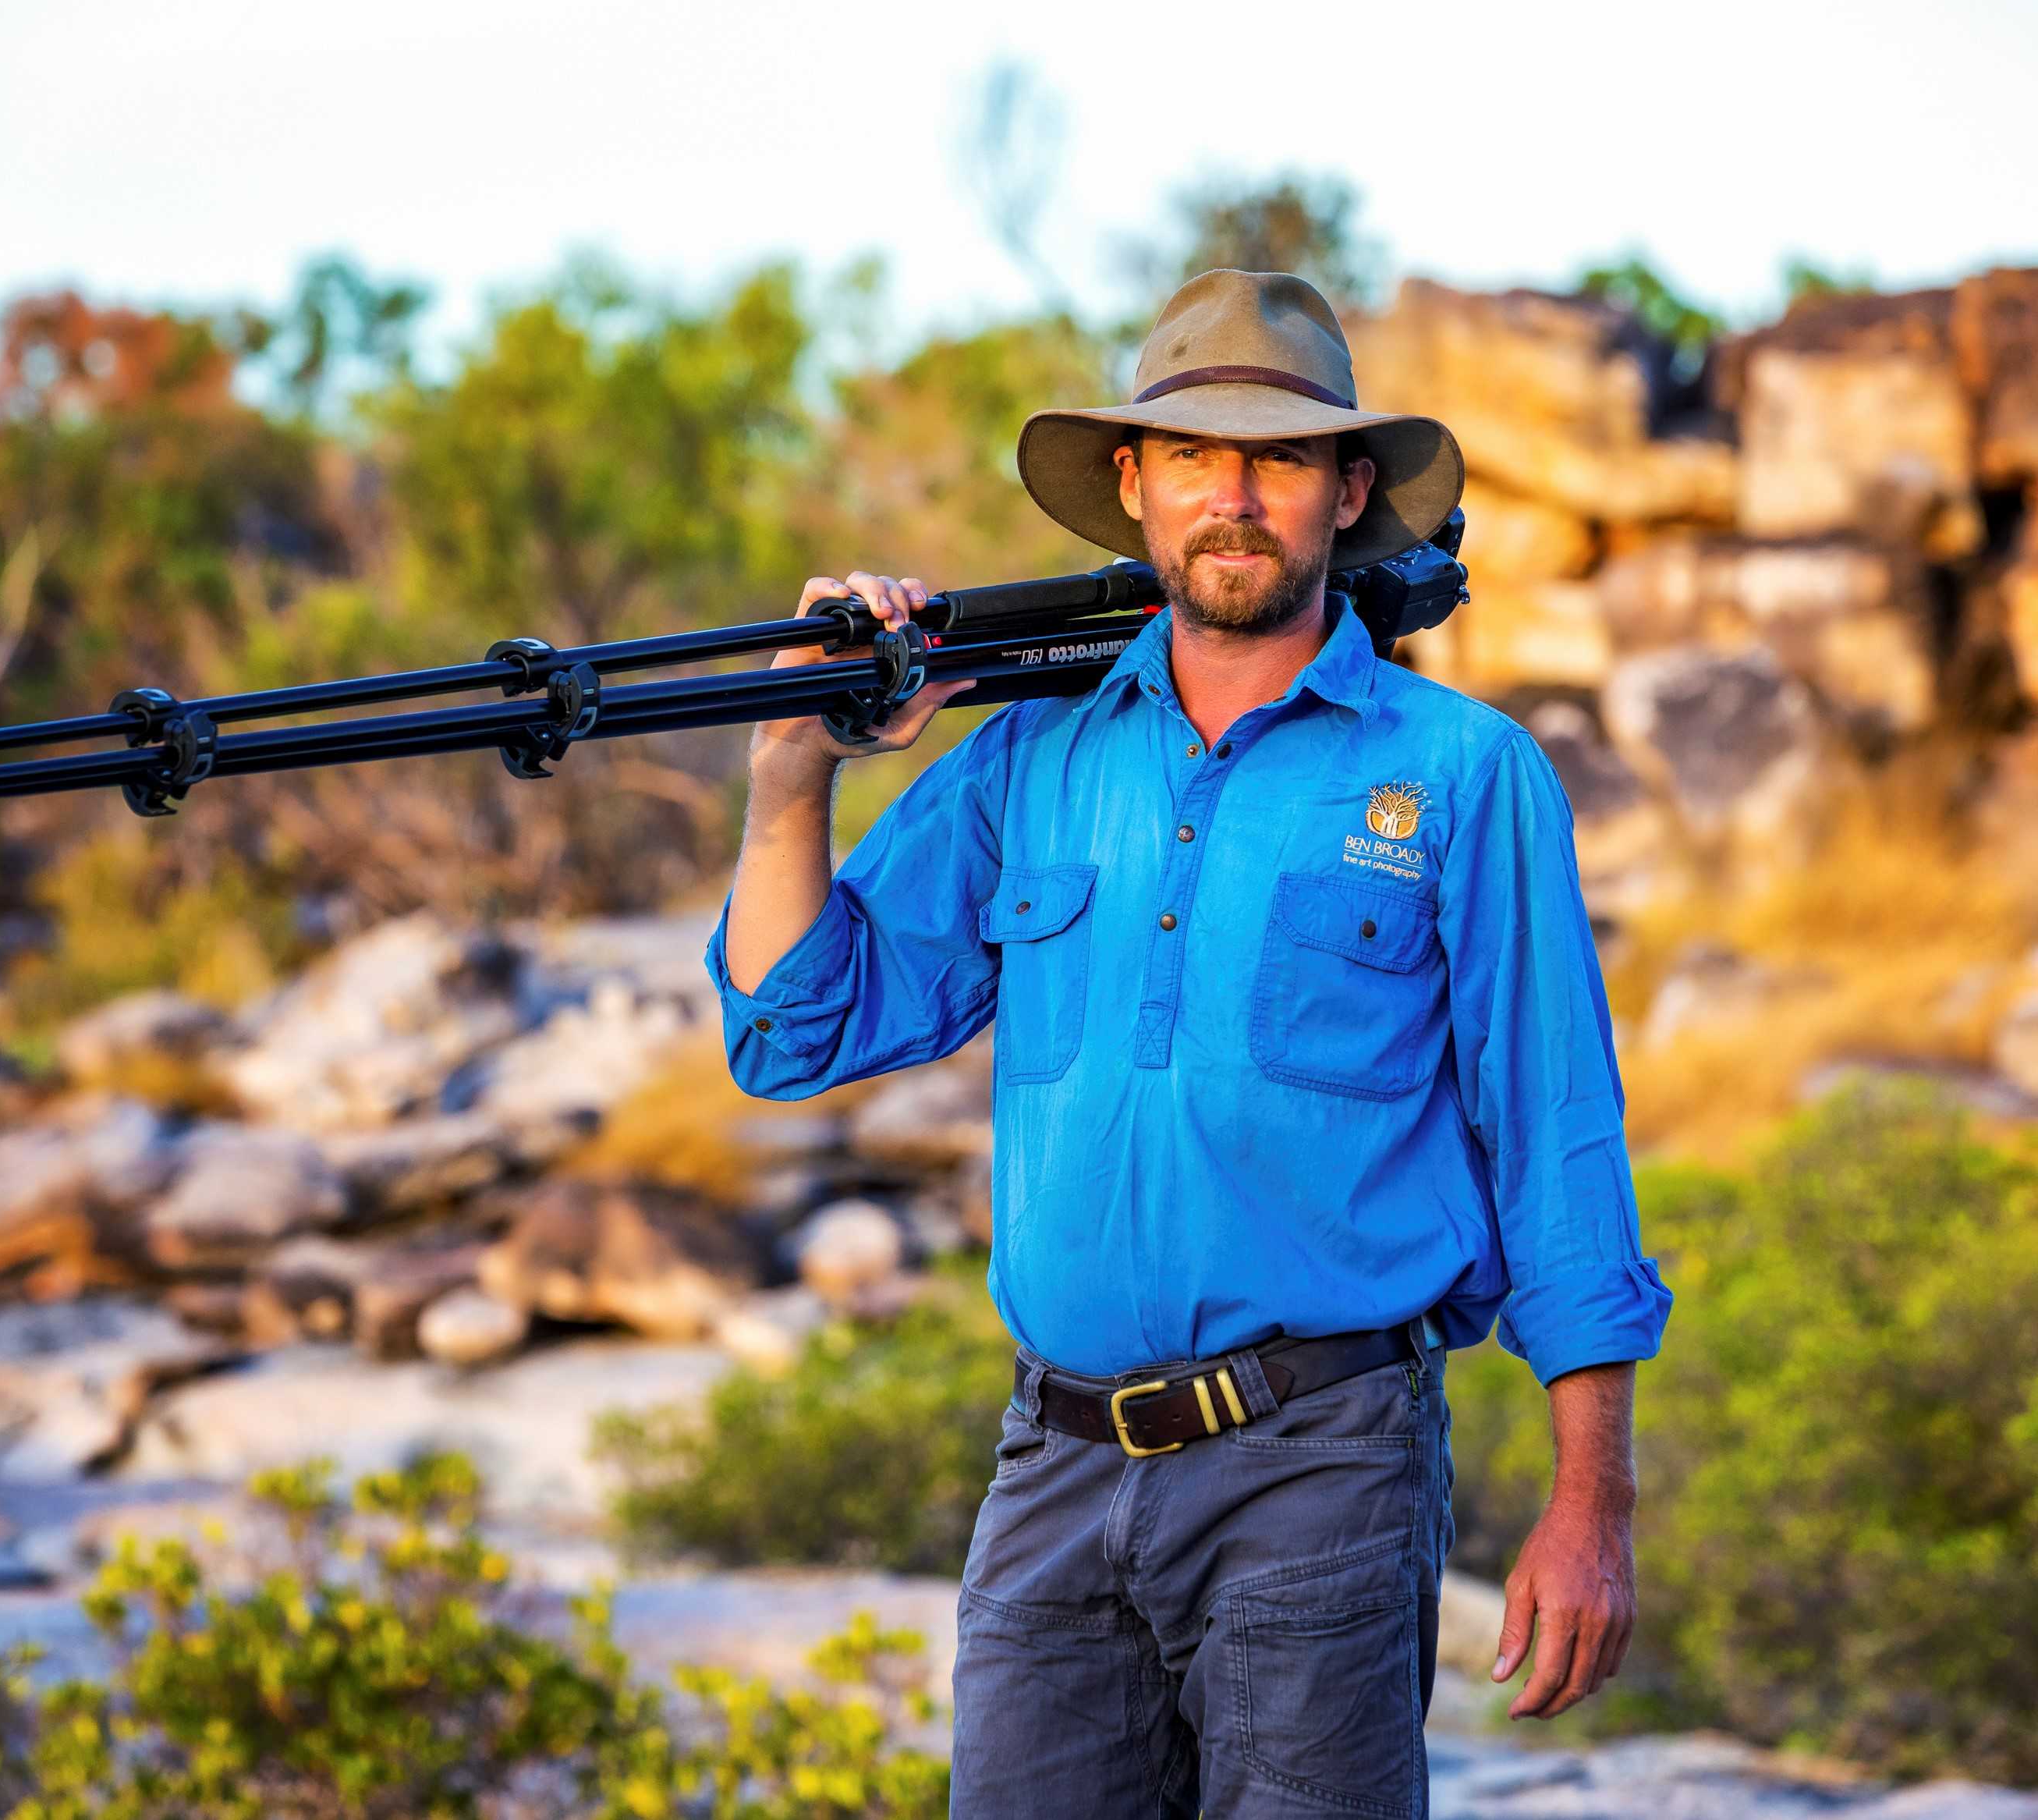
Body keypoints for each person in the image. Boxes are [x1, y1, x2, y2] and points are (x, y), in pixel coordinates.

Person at [702, 268, 1672, 1818]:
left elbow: (1556, 1137)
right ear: (1136, 491)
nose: (1236, 495)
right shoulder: (1032, 756)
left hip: (1322, 1462)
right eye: (1195, 459)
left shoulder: (1465, 773)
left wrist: (1590, 1501)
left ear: (1349, 493)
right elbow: (793, 1030)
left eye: (1281, 458)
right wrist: (789, 769)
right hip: (1055, 1467)